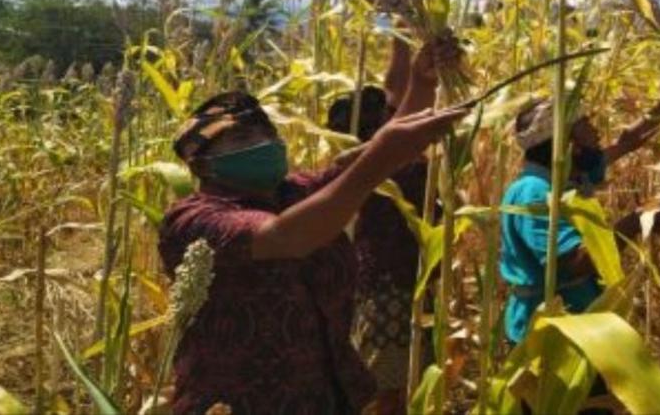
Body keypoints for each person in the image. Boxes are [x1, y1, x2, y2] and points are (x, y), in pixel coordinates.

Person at [157, 42, 467, 415]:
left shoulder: (294, 192)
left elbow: (377, 160)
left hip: (325, 395)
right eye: (241, 140)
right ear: (201, 165)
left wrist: (421, 82)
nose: (262, 144)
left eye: (266, 135)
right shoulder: (194, 220)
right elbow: (288, 236)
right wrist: (378, 157)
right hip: (239, 403)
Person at [499, 90, 660, 345]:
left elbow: (629, 141)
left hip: (579, 322)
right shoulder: (534, 193)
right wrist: (638, 220)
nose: (597, 133)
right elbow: (574, 261)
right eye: (586, 127)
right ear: (567, 142)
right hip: (547, 336)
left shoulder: (569, 176)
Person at [325, 34, 449, 415]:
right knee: (389, 394)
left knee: (408, 385)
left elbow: (398, 95)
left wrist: (400, 39)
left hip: (408, 282)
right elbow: (400, 114)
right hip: (390, 289)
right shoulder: (373, 166)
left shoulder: (377, 160)